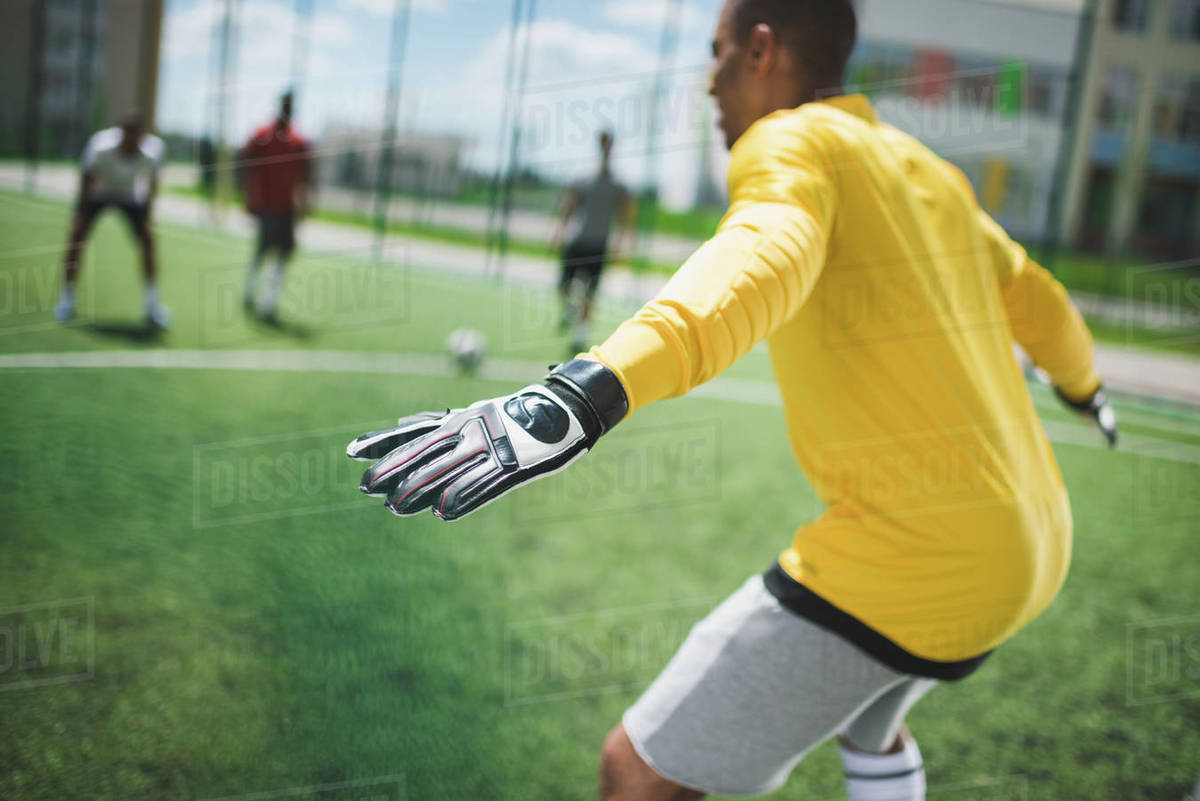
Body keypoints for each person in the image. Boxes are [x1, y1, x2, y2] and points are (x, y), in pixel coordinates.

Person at [345, 0, 1119, 798]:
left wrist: (583, 393)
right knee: (871, 714)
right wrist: (1087, 390)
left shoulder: (790, 140)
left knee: (638, 770)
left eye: (716, 55)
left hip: (921, 557)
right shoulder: (928, 171)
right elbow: (1042, 302)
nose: (708, 84)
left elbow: (764, 254)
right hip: (1037, 542)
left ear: (761, 51)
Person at [54, 112, 169, 328]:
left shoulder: (154, 151)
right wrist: (80, 214)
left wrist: (148, 218)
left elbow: (152, 185)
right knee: (76, 237)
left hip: (129, 195)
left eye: (137, 136)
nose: (132, 141)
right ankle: (66, 301)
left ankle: (153, 306)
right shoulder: (100, 146)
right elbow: (86, 179)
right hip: (99, 193)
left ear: (143, 137)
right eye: (128, 135)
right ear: (121, 134)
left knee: (148, 240)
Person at [550, 129, 634, 354]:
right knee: (564, 287)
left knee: (589, 293)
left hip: (599, 246)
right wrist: (559, 231)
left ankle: (580, 334)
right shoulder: (584, 178)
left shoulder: (618, 184)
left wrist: (620, 245)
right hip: (577, 241)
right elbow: (570, 204)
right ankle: (571, 309)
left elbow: (625, 216)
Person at [240, 91, 313, 319]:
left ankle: (268, 300)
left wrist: (305, 204)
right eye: (285, 105)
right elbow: (245, 164)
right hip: (266, 204)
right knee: (262, 250)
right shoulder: (262, 135)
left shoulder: (298, 141)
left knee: (283, 253)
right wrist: (248, 196)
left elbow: (305, 175)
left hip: (286, 206)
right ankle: (249, 290)